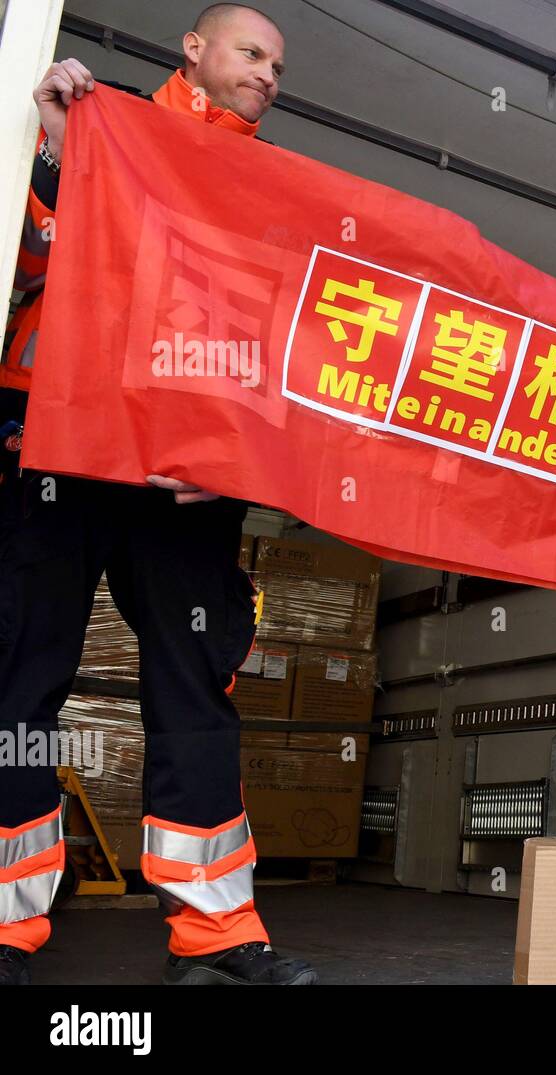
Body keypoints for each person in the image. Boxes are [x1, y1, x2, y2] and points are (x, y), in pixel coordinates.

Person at [0, 4, 316, 986]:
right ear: (194, 49)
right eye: (250, 52)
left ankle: (217, 939)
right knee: (20, 678)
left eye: (276, 63)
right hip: (57, 441)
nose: (267, 73)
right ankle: (6, 925)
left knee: (195, 689)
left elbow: (282, 350)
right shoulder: (96, 124)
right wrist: (49, 143)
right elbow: (28, 259)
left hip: (186, 477)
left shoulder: (271, 191)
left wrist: (236, 455)